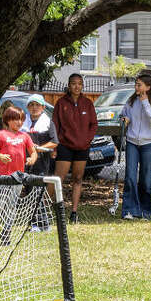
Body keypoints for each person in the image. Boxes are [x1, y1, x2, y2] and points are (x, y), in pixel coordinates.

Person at [52, 73, 99, 222]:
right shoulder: (61, 103)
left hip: (82, 147)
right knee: (58, 179)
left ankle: (74, 213)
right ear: (69, 85)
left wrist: (87, 140)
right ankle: (44, 209)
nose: (76, 86)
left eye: (79, 83)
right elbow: (55, 125)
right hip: (65, 146)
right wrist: (56, 143)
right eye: (73, 83)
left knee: (78, 179)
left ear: (82, 86)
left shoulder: (88, 103)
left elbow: (94, 124)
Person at [119, 71, 151, 220]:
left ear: (148, 87)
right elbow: (124, 114)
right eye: (136, 84)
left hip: (148, 144)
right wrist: (124, 119)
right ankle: (130, 210)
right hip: (132, 143)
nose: (136, 87)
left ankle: (147, 211)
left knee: (146, 179)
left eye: (139, 85)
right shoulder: (131, 101)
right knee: (130, 177)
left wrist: (145, 102)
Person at [0, 102, 35, 177]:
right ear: (8, 120)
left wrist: (32, 159)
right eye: (16, 119)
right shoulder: (1, 134)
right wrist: (1, 156)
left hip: (19, 175)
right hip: (3, 175)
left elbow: (33, 152)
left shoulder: (25, 136)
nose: (20, 122)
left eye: (22, 120)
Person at [22, 94, 57, 173]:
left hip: (41, 161)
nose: (34, 107)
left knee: (38, 183)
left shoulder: (48, 122)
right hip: (22, 159)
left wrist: (38, 149)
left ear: (43, 107)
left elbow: (54, 142)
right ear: (27, 107)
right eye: (31, 105)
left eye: (37, 105)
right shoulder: (21, 121)